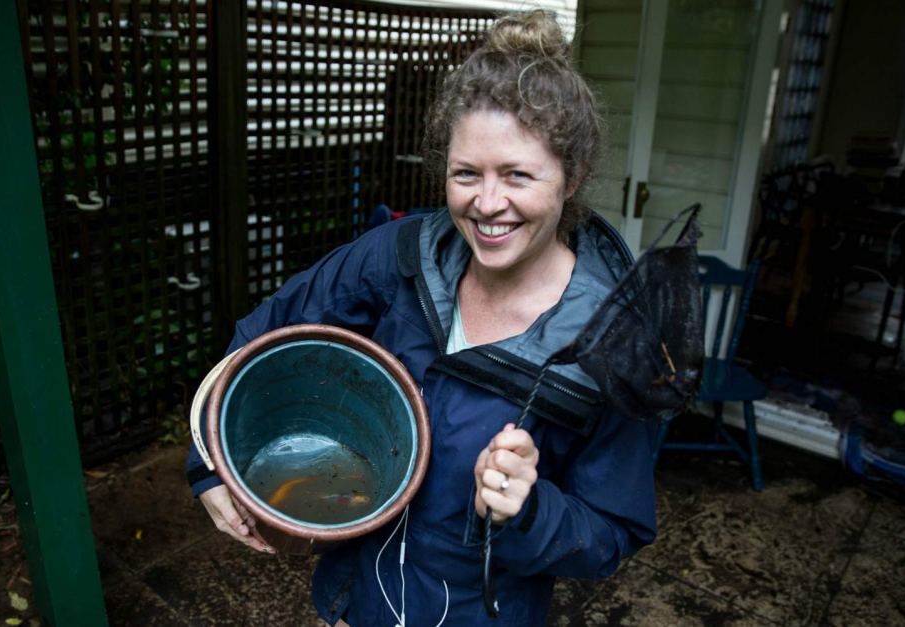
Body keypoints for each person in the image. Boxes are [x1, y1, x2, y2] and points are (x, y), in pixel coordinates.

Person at [186, 10, 657, 625]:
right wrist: (208, 462)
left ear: (574, 178)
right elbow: (263, 337)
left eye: (518, 175)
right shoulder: (404, 257)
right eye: (466, 174)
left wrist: (531, 511)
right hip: (358, 599)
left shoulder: (615, 345)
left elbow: (612, 532)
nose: (487, 204)